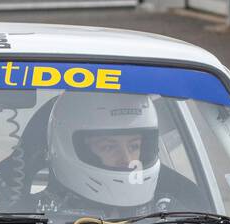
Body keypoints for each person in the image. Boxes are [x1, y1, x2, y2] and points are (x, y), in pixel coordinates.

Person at [44, 90, 199, 216]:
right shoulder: (38, 217)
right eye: (108, 147)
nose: (127, 160)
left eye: (134, 146)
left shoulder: (171, 213)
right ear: (71, 148)